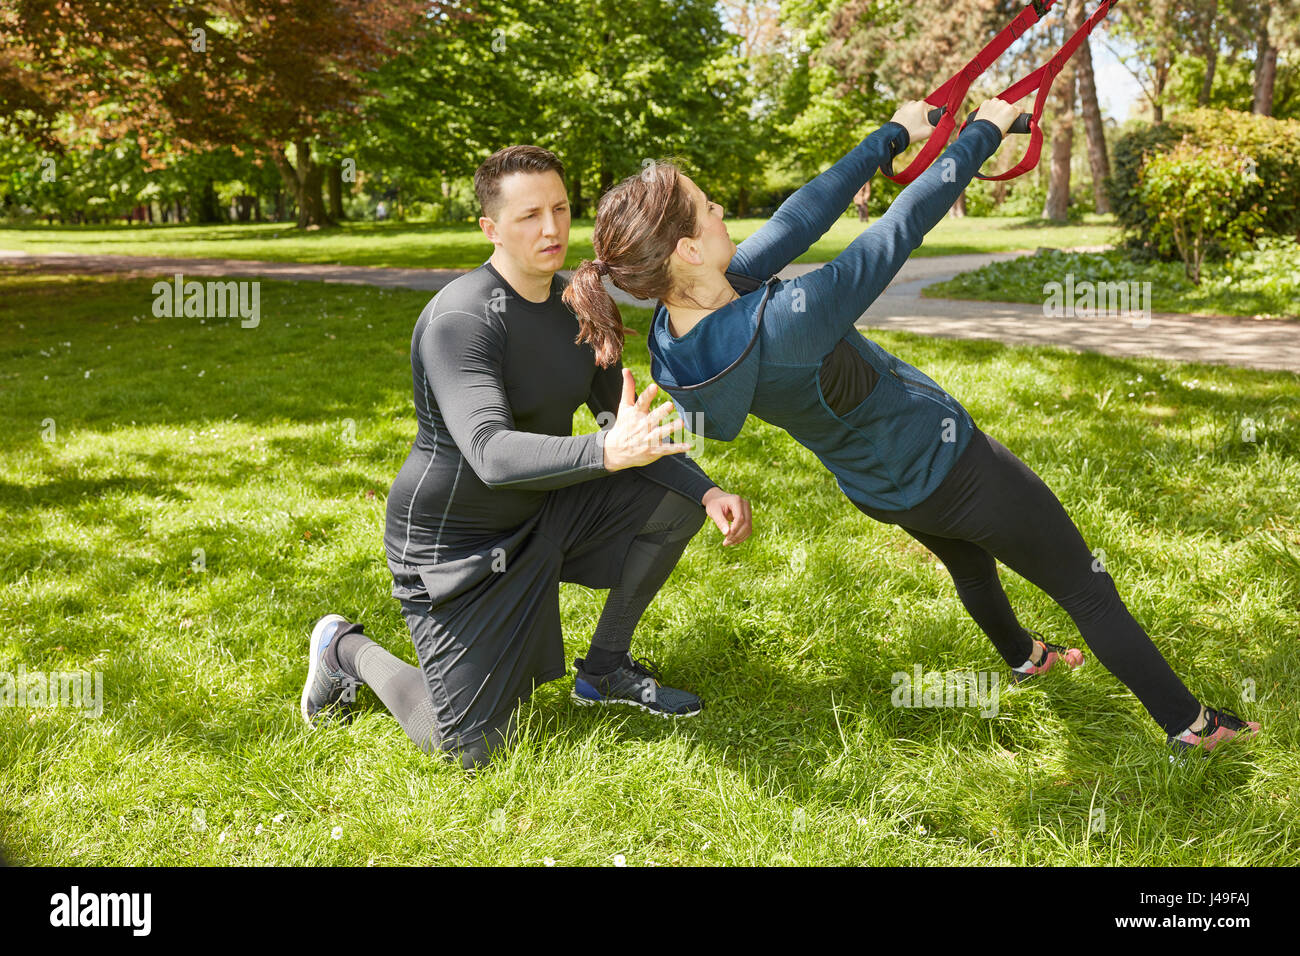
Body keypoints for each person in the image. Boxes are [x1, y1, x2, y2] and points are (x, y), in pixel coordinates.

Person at [561, 99, 1260, 756]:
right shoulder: (788, 319)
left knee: (968, 560)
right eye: (707, 207)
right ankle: (1191, 724)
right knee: (1085, 585)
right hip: (953, 466)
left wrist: (891, 136)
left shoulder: (681, 330)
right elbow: (899, 229)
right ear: (685, 249)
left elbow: (803, 214)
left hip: (881, 485)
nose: (719, 209)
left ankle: (1023, 657)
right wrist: (983, 131)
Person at [300, 145, 753, 770]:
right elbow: (489, 452)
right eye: (529, 216)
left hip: (543, 511)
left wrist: (705, 490)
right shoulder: (459, 319)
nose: (551, 229)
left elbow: (618, 423)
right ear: (490, 228)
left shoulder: (583, 305)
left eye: (561, 209)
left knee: (675, 505)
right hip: (454, 547)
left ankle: (606, 669)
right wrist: (604, 450)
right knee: (468, 746)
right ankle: (344, 649)